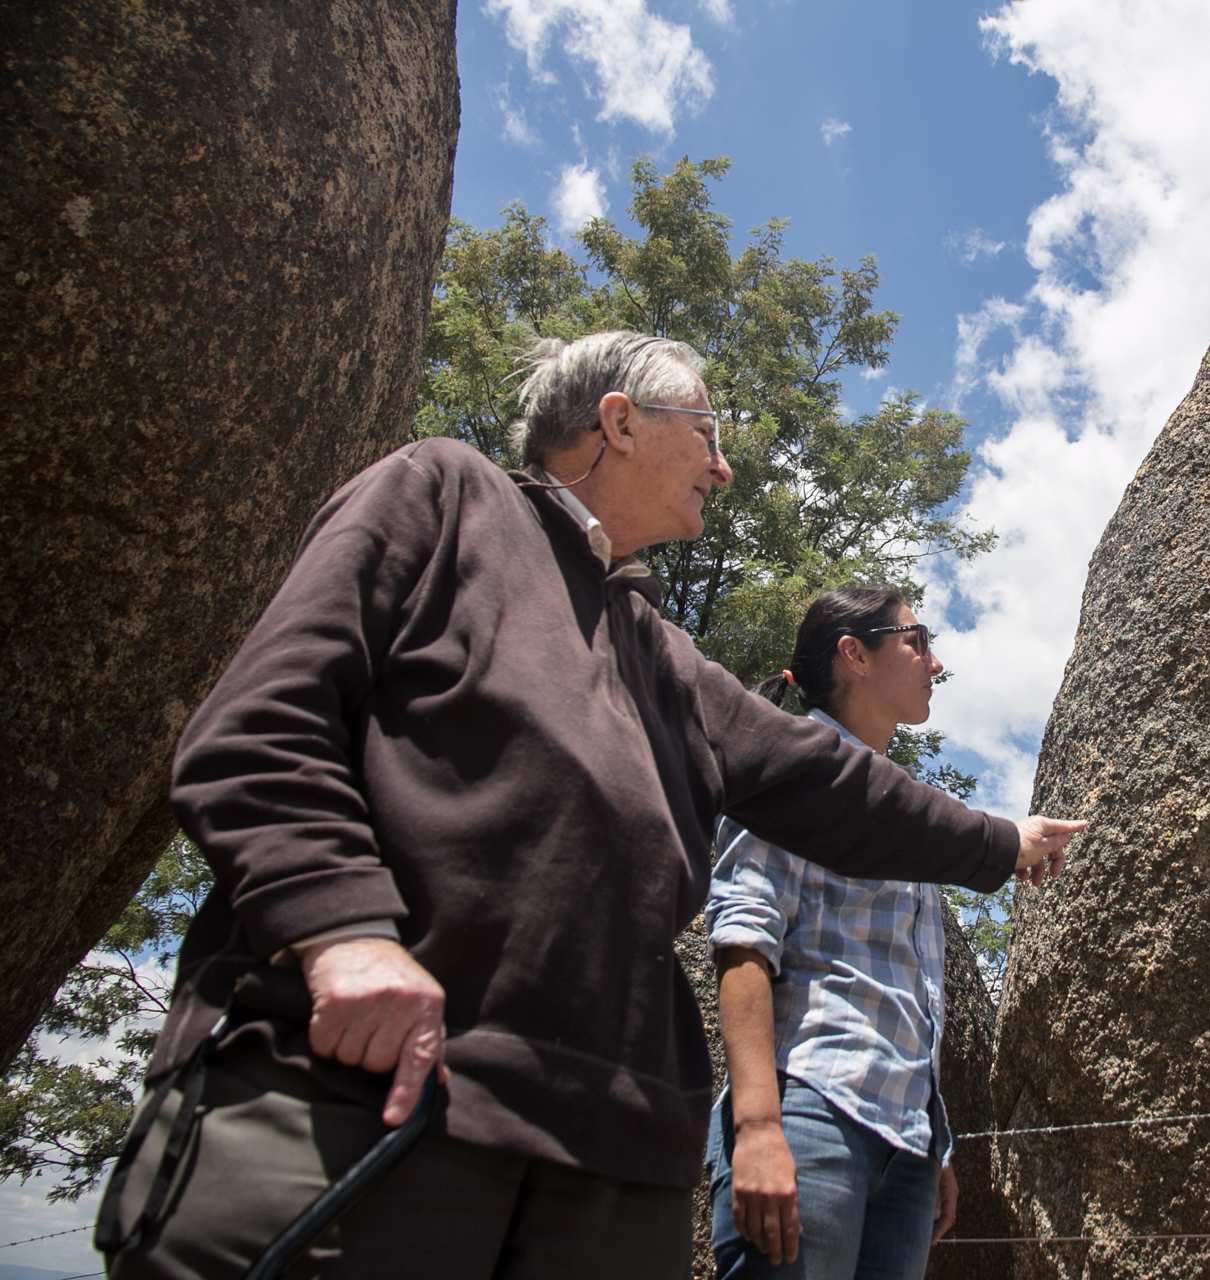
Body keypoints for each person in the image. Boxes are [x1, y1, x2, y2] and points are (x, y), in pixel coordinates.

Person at [95, 332, 1085, 1279]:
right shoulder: (442, 495)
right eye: (706, 431)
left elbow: (823, 779)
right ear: (618, 420)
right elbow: (259, 723)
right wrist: (339, 926)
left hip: (612, 1176)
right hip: (367, 1104)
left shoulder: (654, 645)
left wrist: (1002, 841)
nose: (724, 465)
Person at [706, 588, 1047, 1279]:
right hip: (810, 1119)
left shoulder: (901, 807)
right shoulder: (792, 770)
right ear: (854, 655)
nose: (937, 662)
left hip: (907, 1157)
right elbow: (744, 942)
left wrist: (932, 1144)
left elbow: (903, 988)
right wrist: (760, 1128)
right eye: (917, 640)